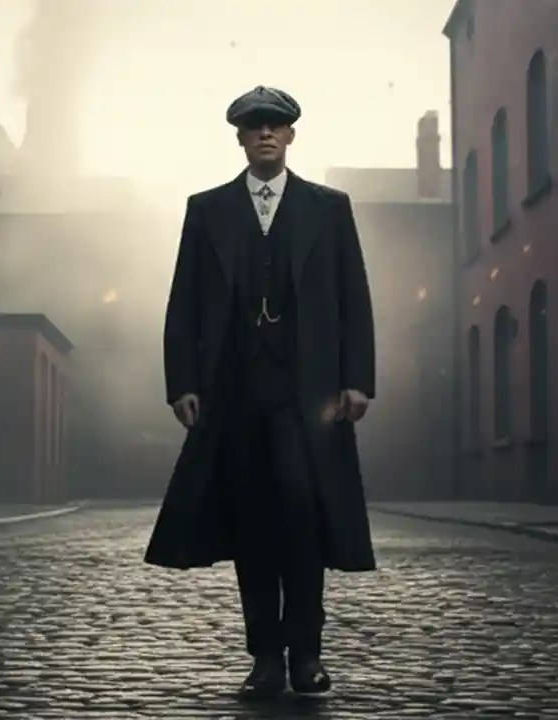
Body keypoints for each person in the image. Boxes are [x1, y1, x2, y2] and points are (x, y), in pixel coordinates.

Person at [144, 85, 377, 699]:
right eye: (254, 126)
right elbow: (184, 301)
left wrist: (357, 379)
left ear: (291, 135)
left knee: (303, 516)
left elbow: (353, 296)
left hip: (310, 396)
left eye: (276, 125)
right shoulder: (207, 210)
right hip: (235, 393)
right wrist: (182, 383)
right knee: (251, 523)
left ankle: (307, 656)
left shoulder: (329, 207)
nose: (266, 133)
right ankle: (266, 659)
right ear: (241, 139)